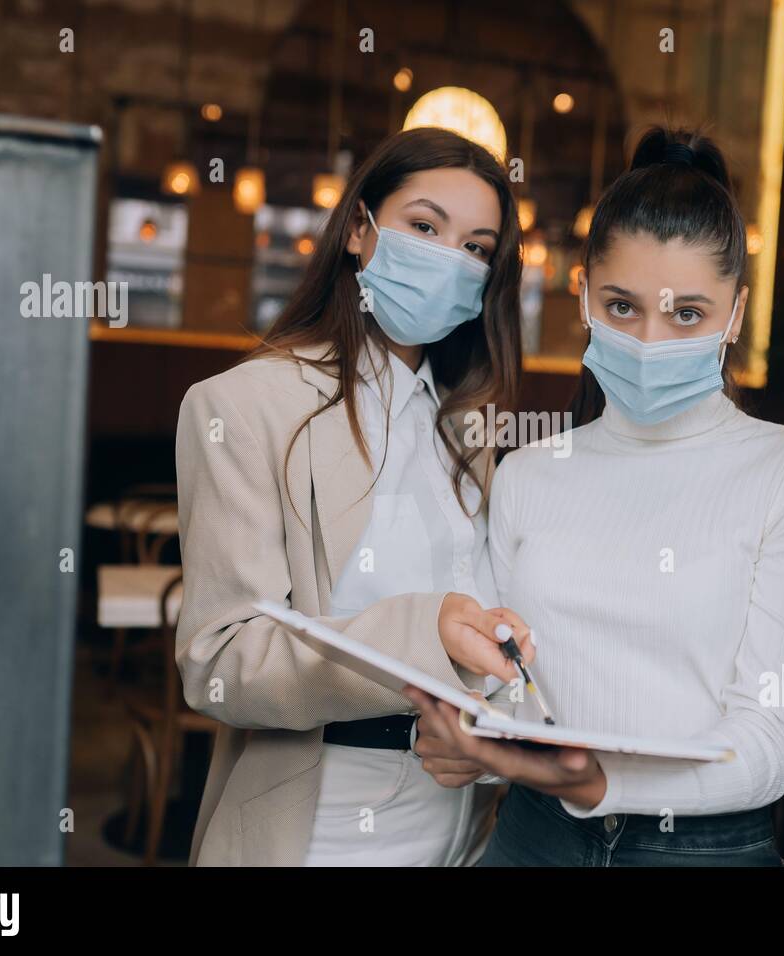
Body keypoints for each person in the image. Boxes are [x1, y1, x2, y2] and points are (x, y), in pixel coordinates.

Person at [407, 127, 784, 867]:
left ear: (736, 314)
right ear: (582, 294)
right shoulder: (527, 473)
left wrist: (595, 780)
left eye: (687, 315)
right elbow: (508, 691)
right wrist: (477, 747)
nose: (650, 340)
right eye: (622, 307)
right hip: (532, 839)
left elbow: (767, 747)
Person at [175, 127, 532, 867]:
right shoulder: (244, 406)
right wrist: (422, 634)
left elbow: (495, 637)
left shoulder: (471, 427)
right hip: (318, 827)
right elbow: (222, 662)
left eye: (476, 247)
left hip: (461, 829)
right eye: (424, 227)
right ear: (360, 230)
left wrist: (494, 734)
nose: (448, 259)